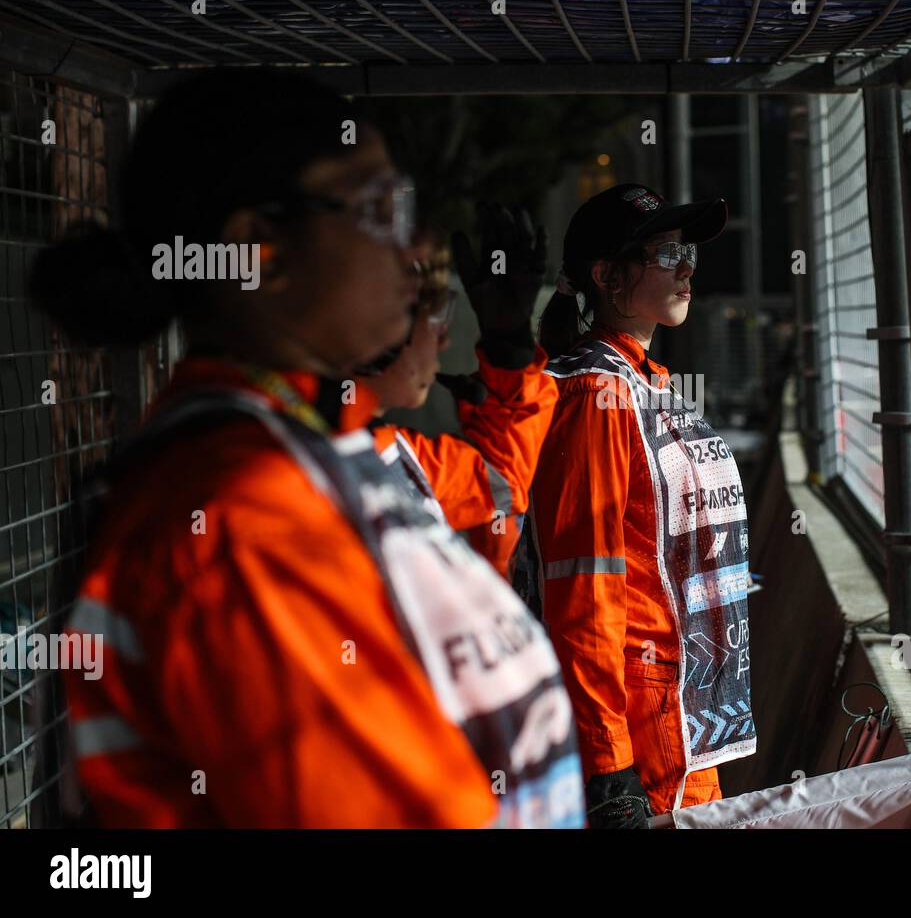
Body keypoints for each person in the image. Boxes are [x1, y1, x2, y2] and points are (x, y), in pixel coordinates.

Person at [30, 69, 582, 828]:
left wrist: (513, 354)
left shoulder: (322, 442)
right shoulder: (240, 507)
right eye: (380, 209)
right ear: (260, 249)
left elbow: (496, 490)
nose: (416, 245)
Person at [528, 183, 757, 828]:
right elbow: (582, 588)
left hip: (677, 700)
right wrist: (608, 765)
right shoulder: (595, 394)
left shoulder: (644, 381)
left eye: (686, 252)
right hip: (637, 709)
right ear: (606, 276)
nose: (686, 268)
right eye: (663, 255)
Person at [360, 207, 556, 580]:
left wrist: (508, 352)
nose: (445, 338)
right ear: (381, 328)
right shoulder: (282, 457)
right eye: (435, 315)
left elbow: (501, 478)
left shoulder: (397, 455)